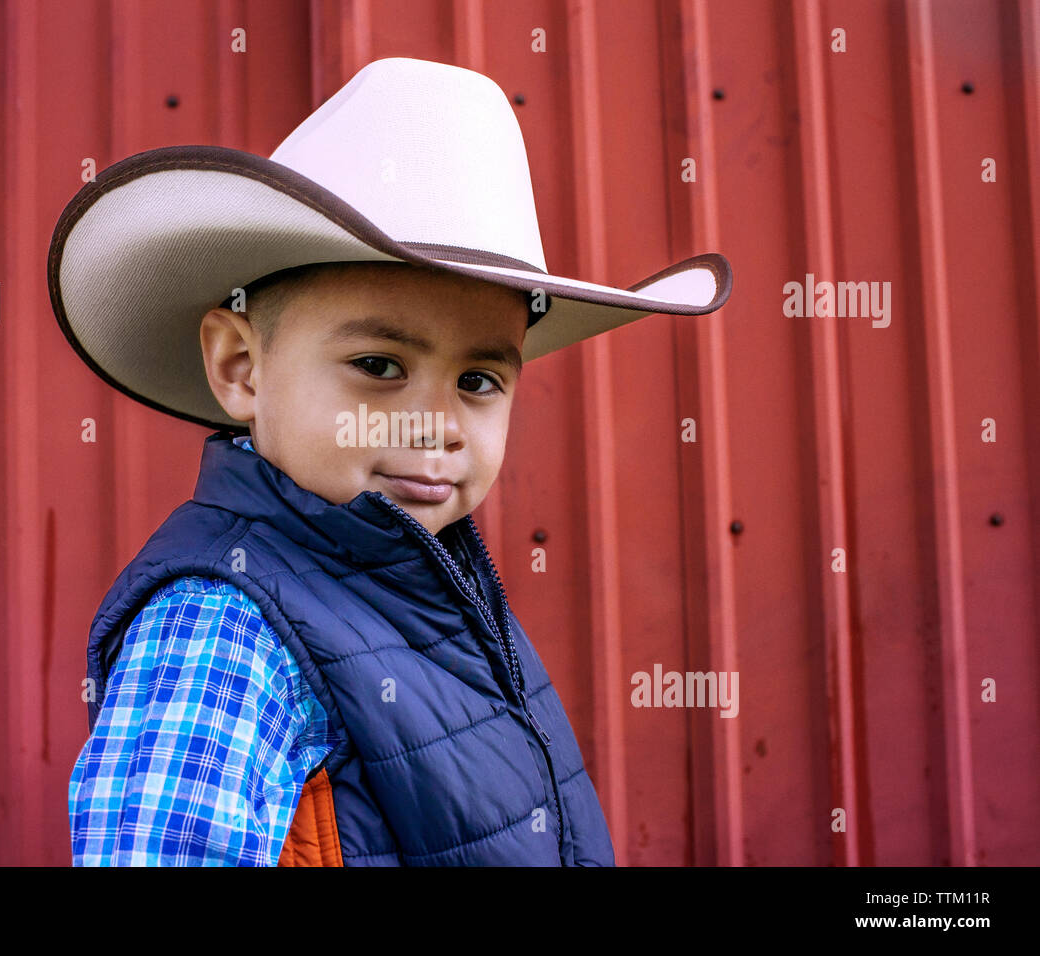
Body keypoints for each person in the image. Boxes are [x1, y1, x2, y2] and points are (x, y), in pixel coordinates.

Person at [50, 56, 732, 866]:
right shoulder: (221, 631)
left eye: (479, 380)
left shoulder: (438, 595)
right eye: (379, 366)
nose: (436, 426)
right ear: (240, 365)